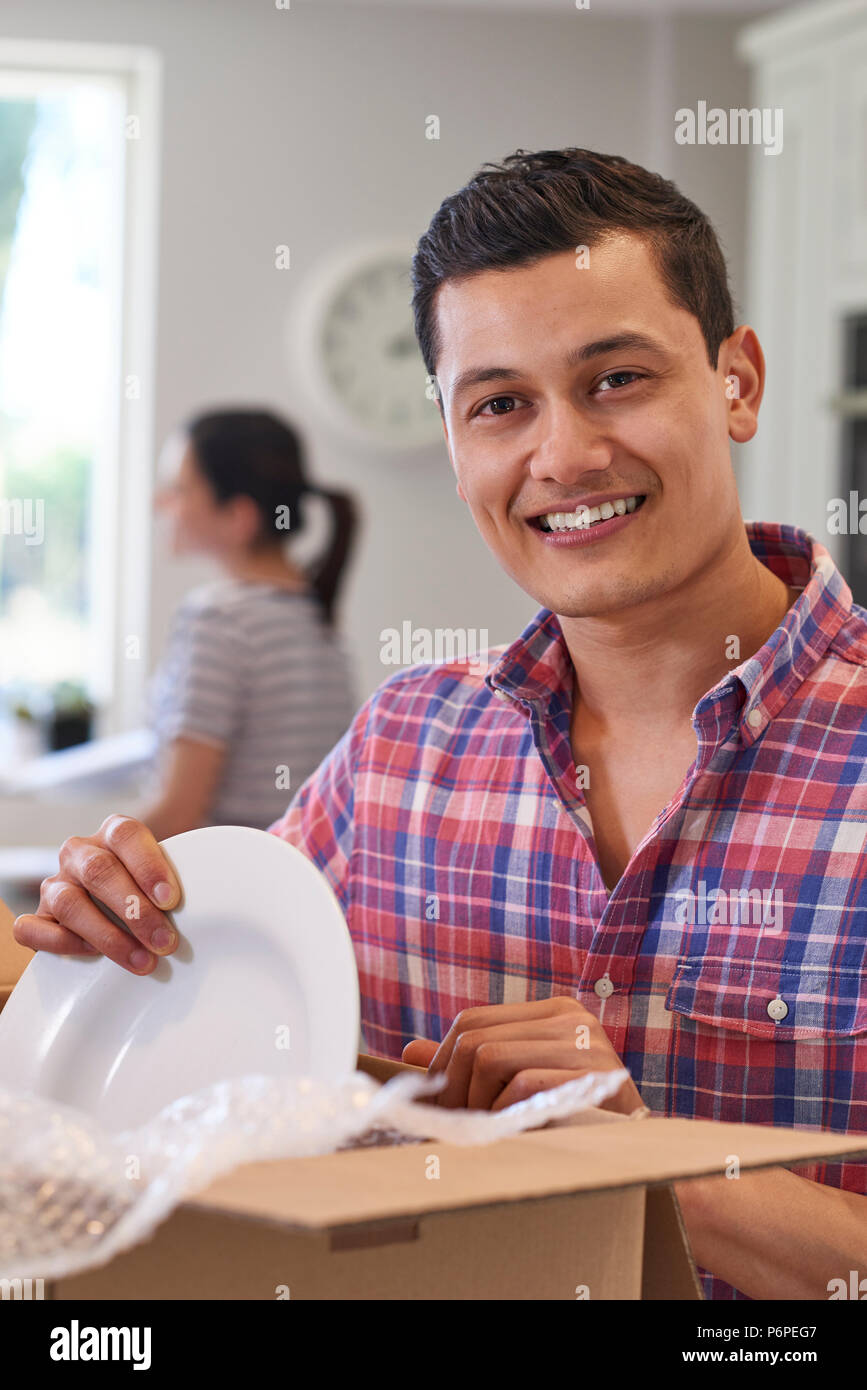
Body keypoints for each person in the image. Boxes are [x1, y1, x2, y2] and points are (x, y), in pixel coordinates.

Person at [13, 149, 867, 1301]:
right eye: (501, 403)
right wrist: (89, 932)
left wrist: (642, 1166)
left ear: (738, 381)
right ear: (459, 444)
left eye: (617, 377)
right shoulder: (402, 749)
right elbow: (194, 1023)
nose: (563, 455)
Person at [138, 408, 360, 837]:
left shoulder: (216, 619)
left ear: (239, 517)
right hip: (287, 888)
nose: (159, 503)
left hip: (214, 889)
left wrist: (71, 870)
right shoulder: (318, 619)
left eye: (178, 489)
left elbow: (179, 814)